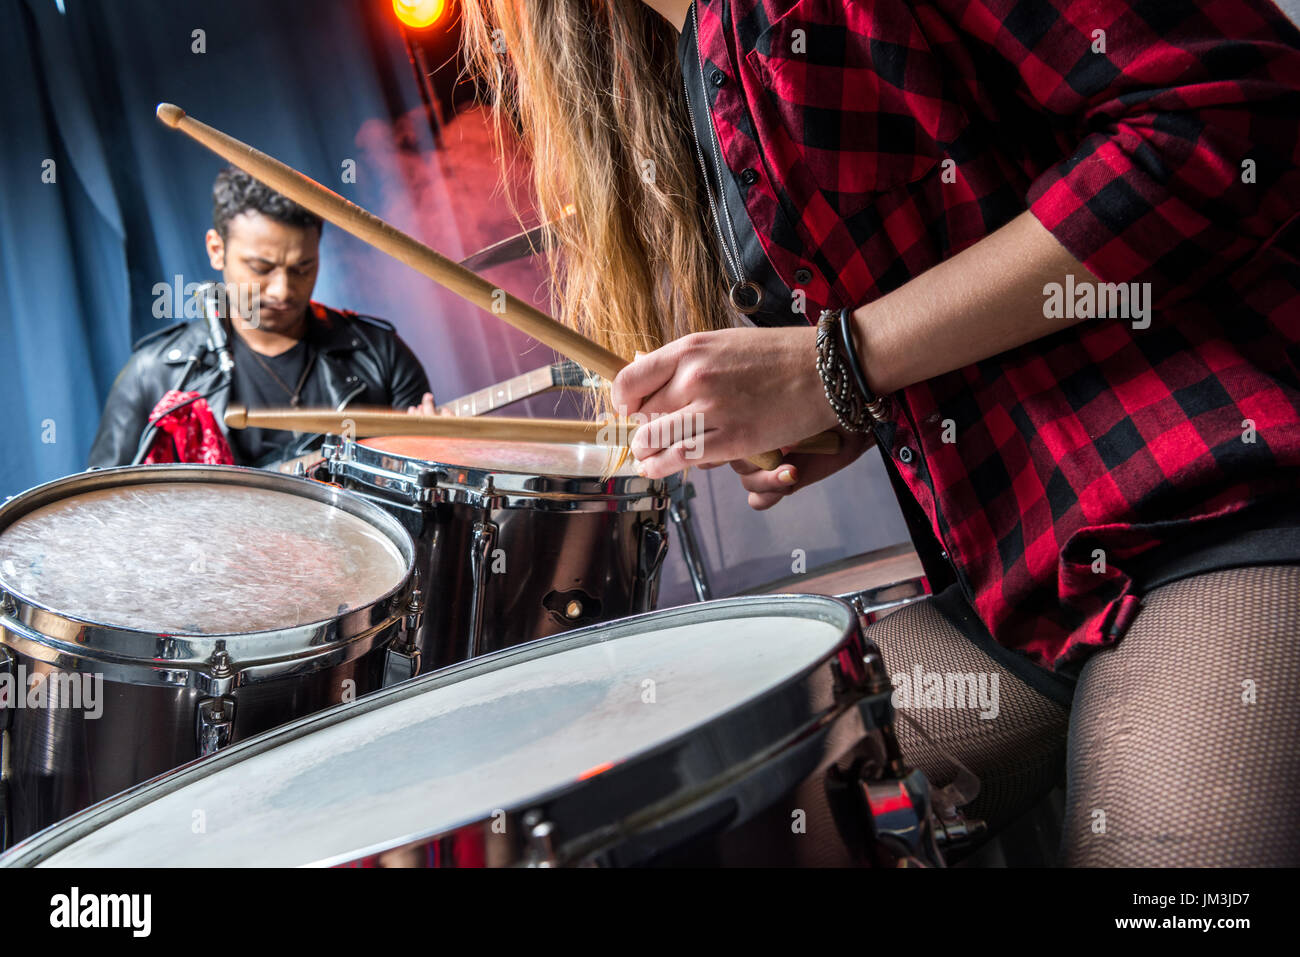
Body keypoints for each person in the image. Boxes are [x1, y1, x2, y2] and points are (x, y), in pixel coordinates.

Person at [461, 0, 1300, 864]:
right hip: (1010, 598)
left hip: (1213, 509)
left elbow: (1230, 111)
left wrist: (839, 365)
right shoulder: (693, 56)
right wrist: (840, 407)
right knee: (668, 834)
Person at [89, 166, 433, 469]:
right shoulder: (156, 374)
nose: (283, 291)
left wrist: (435, 454)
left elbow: (424, 504)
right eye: (261, 268)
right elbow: (103, 514)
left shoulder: (380, 354)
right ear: (216, 250)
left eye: (303, 268)